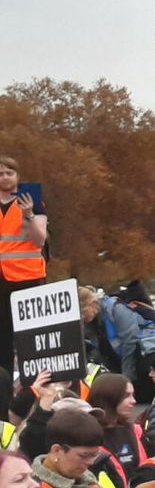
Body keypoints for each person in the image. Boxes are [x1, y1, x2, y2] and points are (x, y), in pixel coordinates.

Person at [0, 156, 49, 379]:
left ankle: (36, 387)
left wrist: (29, 215)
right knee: (3, 340)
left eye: (9, 173)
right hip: (2, 280)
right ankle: (5, 388)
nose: (4, 177)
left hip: (28, 279)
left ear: (17, 176)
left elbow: (40, 240)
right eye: (0, 174)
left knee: (31, 339)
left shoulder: (32, 201)